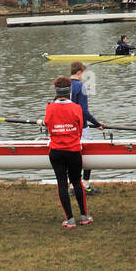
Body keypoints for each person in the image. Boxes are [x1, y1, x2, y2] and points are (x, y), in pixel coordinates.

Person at [43, 78, 91, 227]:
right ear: (69, 91)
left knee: (62, 184)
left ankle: (69, 219)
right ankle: (84, 216)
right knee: (77, 182)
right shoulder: (76, 108)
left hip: (56, 151)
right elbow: (79, 127)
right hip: (73, 150)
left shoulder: (50, 108)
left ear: (56, 92)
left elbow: (47, 125)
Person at [70, 62, 104, 196]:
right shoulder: (81, 86)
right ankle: (86, 185)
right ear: (79, 73)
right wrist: (97, 123)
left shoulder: (65, 85)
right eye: (83, 73)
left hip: (69, 127)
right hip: (81, 127)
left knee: (73, 156)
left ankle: (72, 185)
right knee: (89, 154)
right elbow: (83, 111)